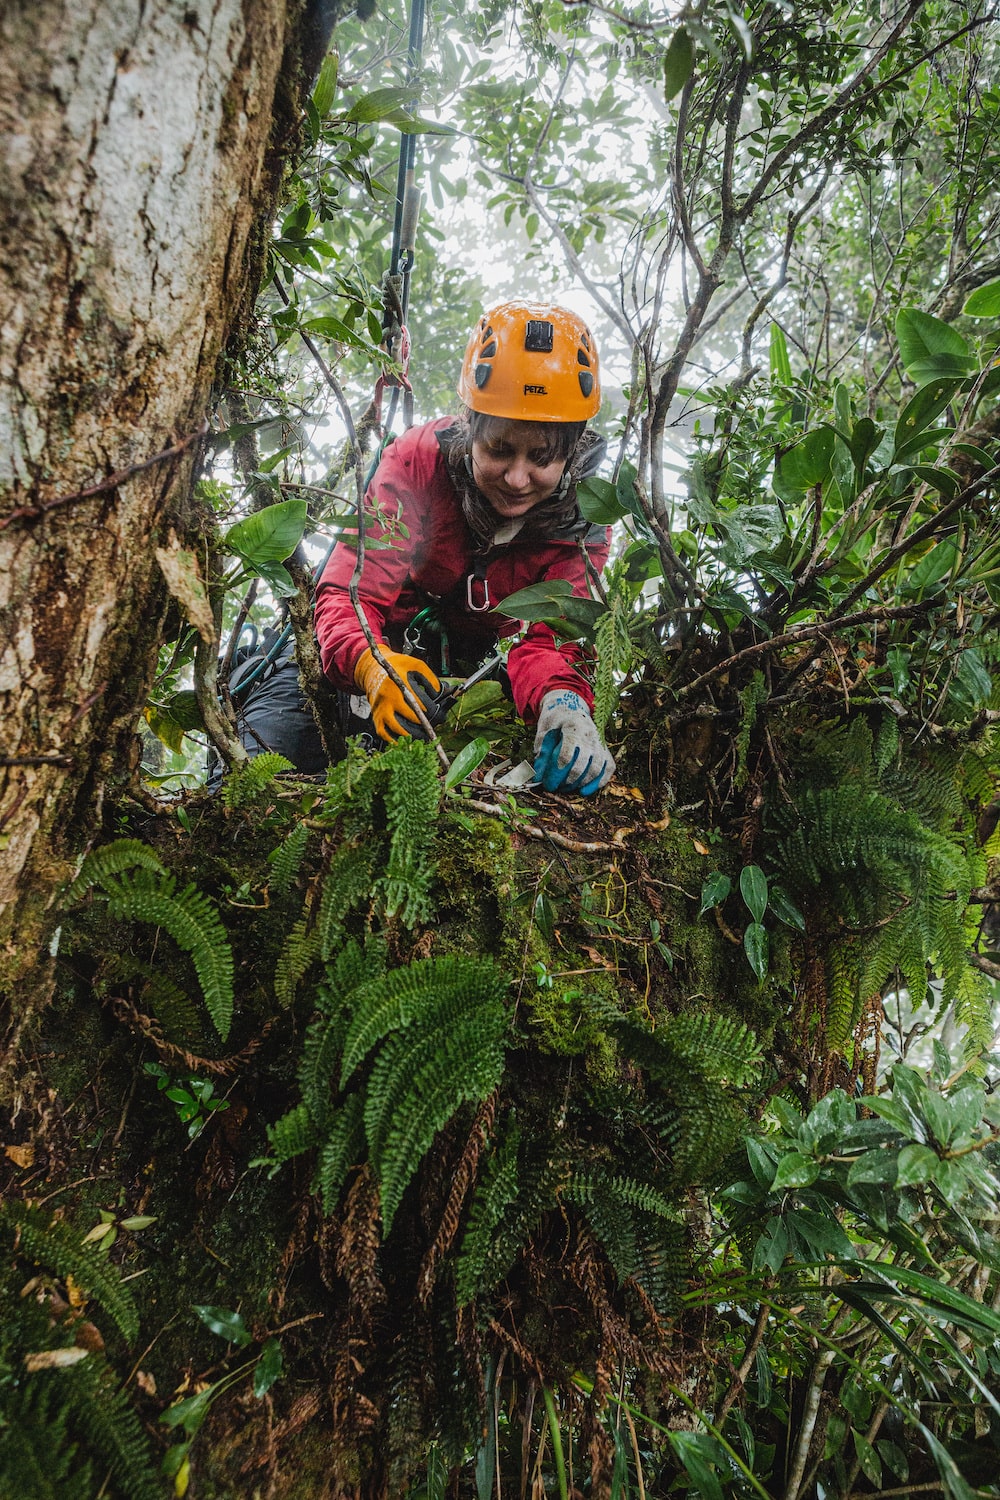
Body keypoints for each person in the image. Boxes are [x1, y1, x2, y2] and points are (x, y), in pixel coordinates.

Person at [314, 300, 617, 796]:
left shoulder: (583, 524)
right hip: (386, 647)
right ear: (471, 429)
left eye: (541, 457)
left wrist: (564, 700)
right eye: (498, 449)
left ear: (573, 448)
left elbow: (552, 641)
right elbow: (352, 589)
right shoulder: (417, 463)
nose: (517, 479)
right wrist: (371, 664)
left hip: (478, 675)